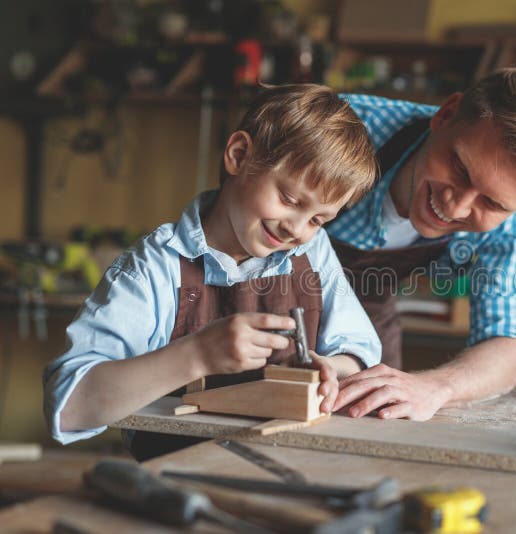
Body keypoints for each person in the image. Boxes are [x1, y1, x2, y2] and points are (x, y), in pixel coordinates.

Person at [43, 84, 382, 459]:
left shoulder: (311, 251)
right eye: (288, 199)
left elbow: (359, 352)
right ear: (238, 156)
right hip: (177, 483)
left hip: (292, 468)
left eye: (318, 219)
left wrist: (326, 369)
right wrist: (197, 355)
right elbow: (69, 405)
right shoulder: (154, 268)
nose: (297, 229)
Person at [327, 67, 516, 421]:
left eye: (491, 204)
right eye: (461, 169)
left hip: (367, 319)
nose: (456, 206)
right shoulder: (337, 129)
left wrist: (435, 388)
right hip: (267, 297)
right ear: (446, 115)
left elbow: (506, 340)